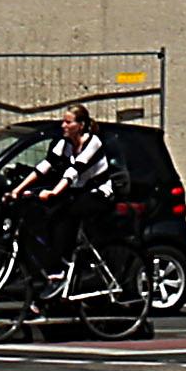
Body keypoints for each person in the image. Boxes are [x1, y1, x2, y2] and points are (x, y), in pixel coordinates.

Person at [36, 107, 145, 334]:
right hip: (79, 192)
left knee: (69, 214)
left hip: (101, 194)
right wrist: (17, 190)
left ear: (81, 125)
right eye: (63, 122)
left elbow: (74, 171)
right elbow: (45, 166)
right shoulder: (64, 144)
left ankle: (70, 274)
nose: (63, 126)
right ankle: (64, 273)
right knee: (50, 216)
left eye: (68, 122)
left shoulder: (92, 142)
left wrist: (54, 192)